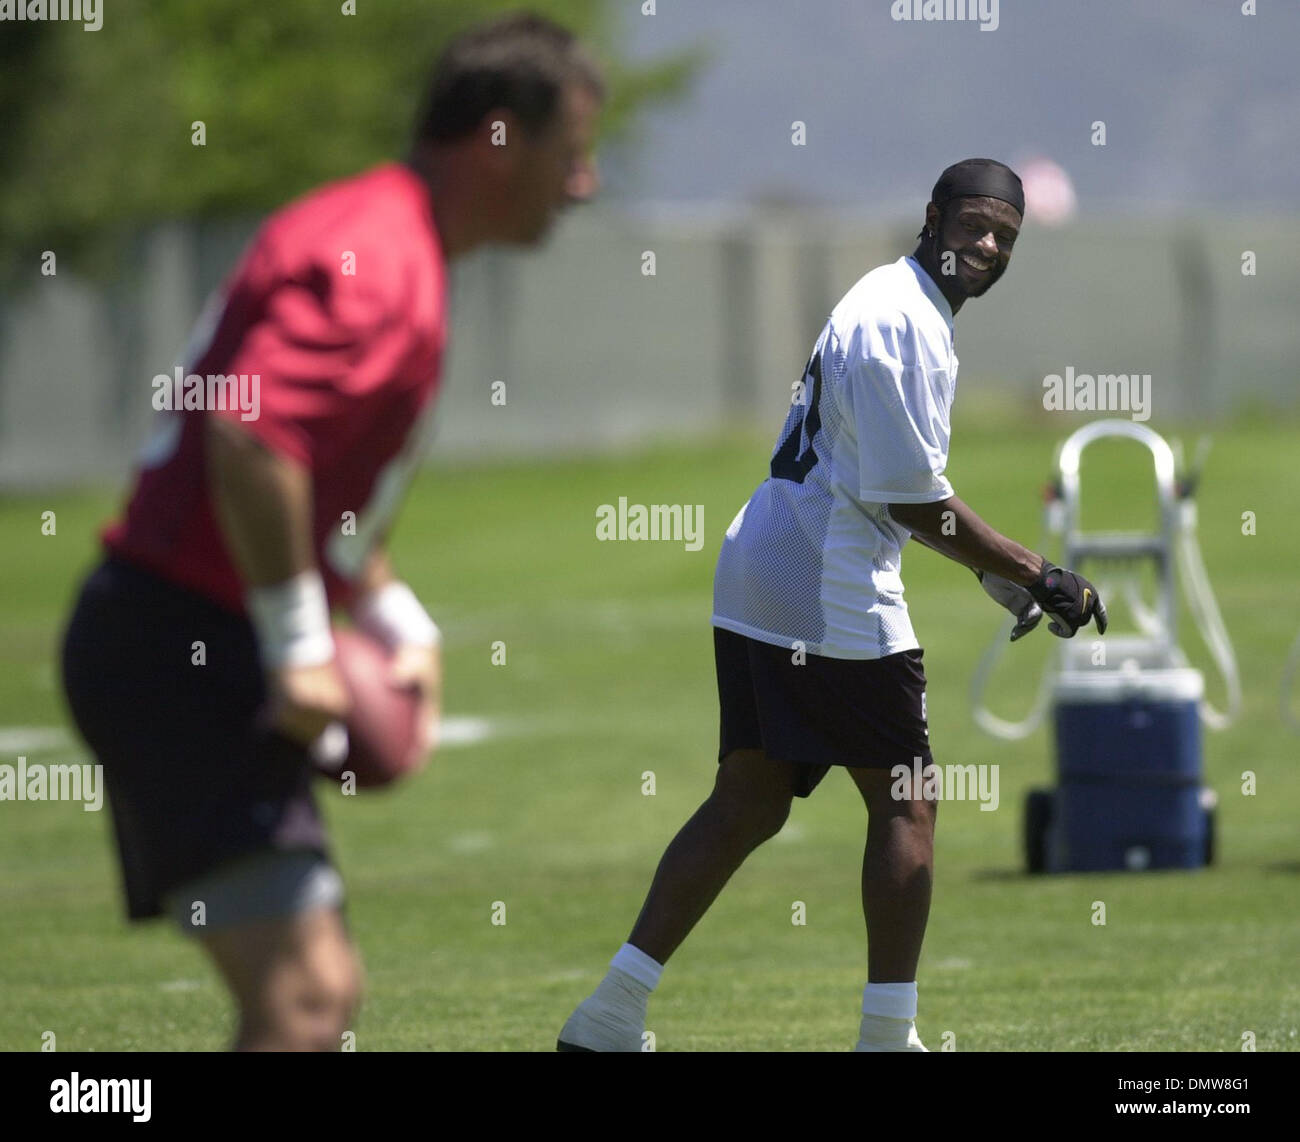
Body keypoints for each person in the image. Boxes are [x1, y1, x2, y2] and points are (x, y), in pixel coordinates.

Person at [61, 12, 603, 1052]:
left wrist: (392, 608)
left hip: (187, 634)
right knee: (307, 996)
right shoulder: (384, 259)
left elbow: (317, 478)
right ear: (500, 138)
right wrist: (303, 644)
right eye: (570, 156)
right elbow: (254, 433)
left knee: (319, 999)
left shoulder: (389, 237)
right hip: (182, 648)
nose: (583, 185)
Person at [557, 158, 1106, 1053]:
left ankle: (609, 1017)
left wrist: (987, 569)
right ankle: (888, 1039)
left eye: (1004, 234)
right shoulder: (905, 321)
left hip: (764, 560)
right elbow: (906, 498)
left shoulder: (894, 300)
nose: (987, 244)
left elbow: (890, 482)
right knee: (908, 800)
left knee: (749, 800)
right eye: (973, 223)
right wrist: (1033, 568)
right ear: (933, 216)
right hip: (823, 572)